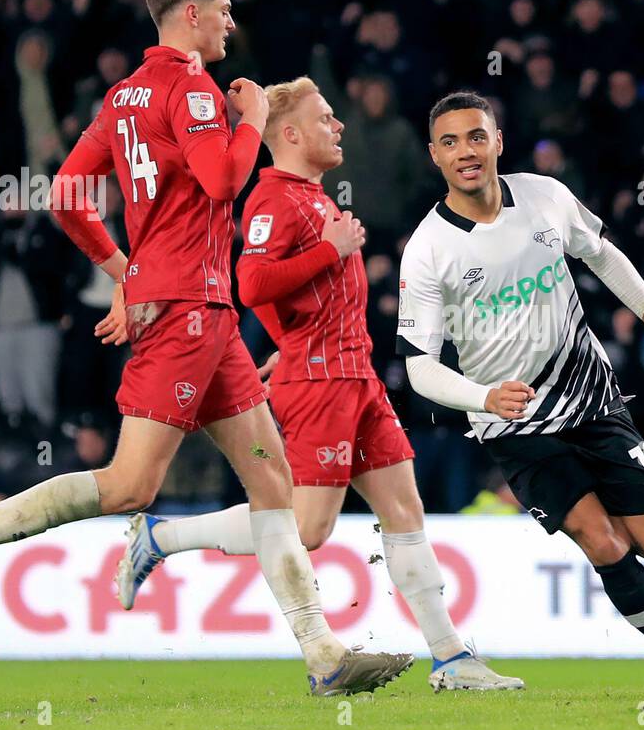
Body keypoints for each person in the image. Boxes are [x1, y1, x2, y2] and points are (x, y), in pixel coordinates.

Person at [0, 0, 410, 697]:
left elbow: (69, 196)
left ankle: (323, 653)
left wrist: (128, 273)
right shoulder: (193, 90)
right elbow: (224, 182)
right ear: (192, 16)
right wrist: (256, 121)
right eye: (225, 8)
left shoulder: (120, 97)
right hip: (185, 317)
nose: (233, 20)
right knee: (129, 486)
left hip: (207, 316)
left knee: (274, 482)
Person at [116, 76, 522, 692]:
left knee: (404, 510)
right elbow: (250, 284)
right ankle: (160, 536)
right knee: (306, 529)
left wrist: (289, 341)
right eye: (326, 117)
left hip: (354, 377)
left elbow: (296, 297)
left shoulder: (315, 198)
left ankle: (452, 660)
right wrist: (329, 255)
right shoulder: (272, 199)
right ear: (290, 134)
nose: (339, 126)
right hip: (322, 385)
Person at [396, 91, 644, 703]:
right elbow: (418, 367)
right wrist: (482, 396)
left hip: (591, 394)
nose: (465, 151)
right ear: (434, 157)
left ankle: (620, 552)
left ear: (497, 140)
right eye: (450, 142)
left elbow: (603, 256)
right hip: (516, 422)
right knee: (601, 540)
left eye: (476, 136)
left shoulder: (546, 197)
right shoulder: (428, 250)